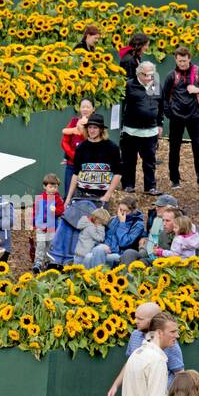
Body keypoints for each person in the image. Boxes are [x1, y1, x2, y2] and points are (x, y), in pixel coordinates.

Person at [49, 112, 121, 267]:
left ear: (101, 129)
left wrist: (108, 195)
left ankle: (96, 264)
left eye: (95, 127)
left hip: (101, 197)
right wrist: (68, 198)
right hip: (81, 195)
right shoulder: (82, 148)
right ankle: (69, 260)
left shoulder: (112, 148)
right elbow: (76, 174)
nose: (92, 130)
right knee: (75, 228)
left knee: (98, 231)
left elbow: (118, 173)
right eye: (90, 127)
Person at [107, 302, 185, 396]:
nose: (136, 321)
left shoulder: (170, 343)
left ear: (153, 320)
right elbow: (129, 364)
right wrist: (115, 385)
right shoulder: (135, 335)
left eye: (140, 319)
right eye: (136, 318)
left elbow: (179, 374)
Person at [121, 313, 178, 396]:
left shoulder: (137, 353)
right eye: (172, 332)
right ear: (158, 333)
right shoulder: (157, 360)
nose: (176, 335)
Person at [162, 46, 199, 193]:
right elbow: (164, 97)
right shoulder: (171, 76)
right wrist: (169, 114)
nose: (182, 64)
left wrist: (198, 89)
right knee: (174, 148)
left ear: (189, 59)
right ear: (175, 60)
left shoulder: (198, 72)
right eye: (179, 61)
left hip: (195, 116)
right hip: (176, 118)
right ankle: (175, 180)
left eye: (184, 61)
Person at [121, 60, 162, 194]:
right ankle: (128, 184)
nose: (149, 77)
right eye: (146, 74)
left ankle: (150, 186)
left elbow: (161, 106)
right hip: (131, 130)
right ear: (139, 73)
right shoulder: (129, 85)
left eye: (152, 74)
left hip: (150, 131)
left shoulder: (156, 85)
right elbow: (121, 106)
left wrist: (160, 124)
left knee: (150, 161)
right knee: (129, 160)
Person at [84, 194, 145, 267]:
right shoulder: (113, 220)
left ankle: (99, 276)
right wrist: (102, 245)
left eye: (125, 211)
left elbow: (124, 243)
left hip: (120, 255)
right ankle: (89, 277)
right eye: (120, 209)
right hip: (105, 251)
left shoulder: (138, 224)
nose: (121, 213)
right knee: (88, 257)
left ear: (133, 211)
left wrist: (122, 223)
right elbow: (101, 237)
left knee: (98, 250)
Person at [60, 98, 96, 195]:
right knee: (68, 193)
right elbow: (64, 142)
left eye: (88, 107)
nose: (85, 109)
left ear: (93, 109)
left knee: (86, 194)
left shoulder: (96, 124)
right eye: (83, 107)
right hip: (72, 163)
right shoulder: (74, 121)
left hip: (88, 166)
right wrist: (73, 155)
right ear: (79, 108)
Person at [30, 173, 64, 270]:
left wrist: (56, 211)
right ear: (45, 186)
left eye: (55, 187)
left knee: (50, 245)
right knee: (40, 245)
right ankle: (38, 262)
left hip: (52, 227)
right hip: (41, 227)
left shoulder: (58, 199)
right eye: (51, 186)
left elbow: (61, 211)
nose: (53, 189)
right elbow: (35, 212)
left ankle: (49, 262)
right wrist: (33, 224)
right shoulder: (40, 198)